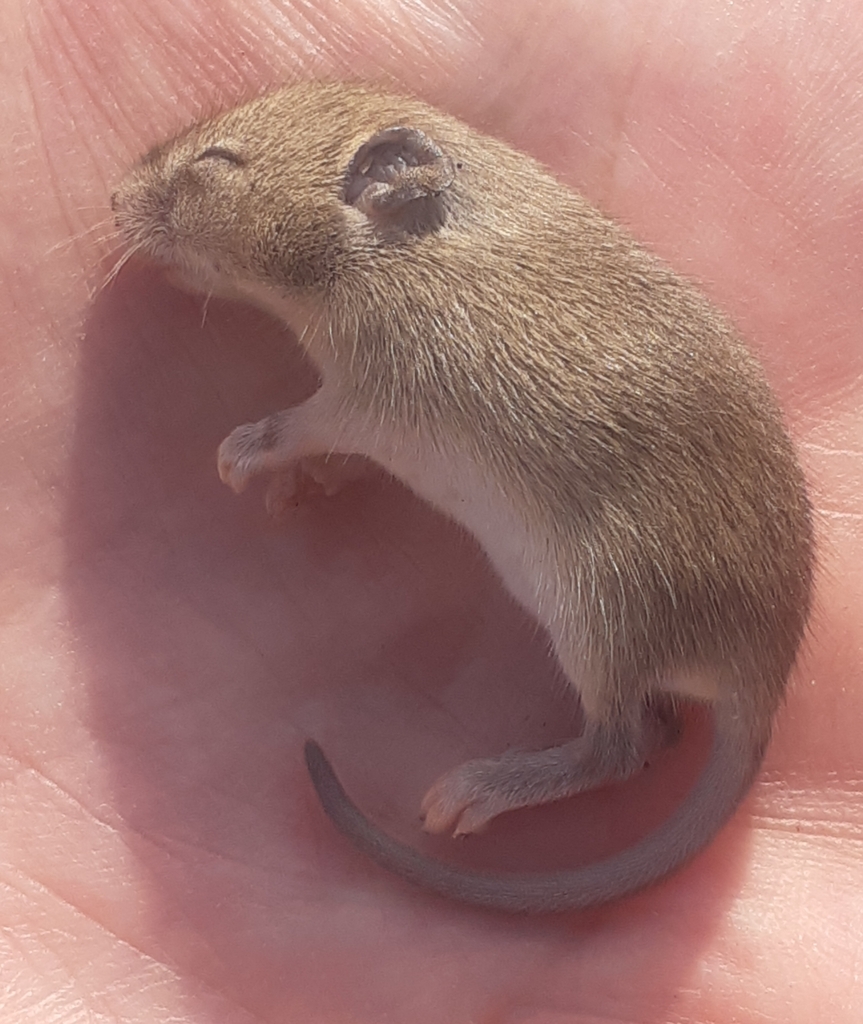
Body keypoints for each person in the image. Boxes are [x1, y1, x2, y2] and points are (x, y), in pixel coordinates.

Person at [2, 0, 860, 1020]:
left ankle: (605, 744)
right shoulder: (403, 279)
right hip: (684, 541)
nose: (160, 199)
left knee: (600, 565)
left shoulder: (404, 300)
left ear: (381, 183)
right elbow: (419, 426)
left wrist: (287, 435)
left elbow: (383, 404)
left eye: (212, 173)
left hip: (671, 578)